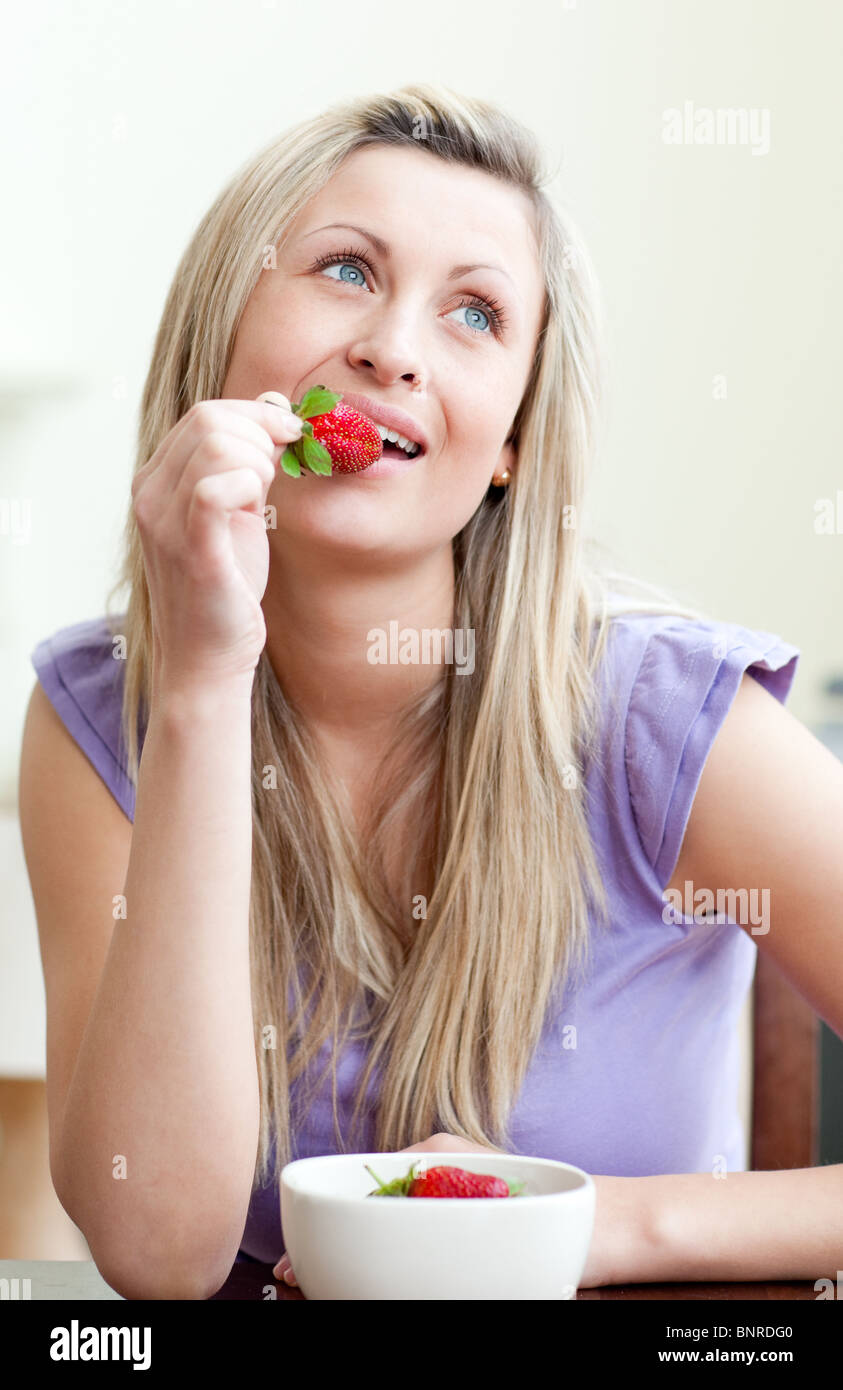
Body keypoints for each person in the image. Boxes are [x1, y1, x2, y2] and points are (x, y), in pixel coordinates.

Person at [20, 84, 843, 1300]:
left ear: (509, 437)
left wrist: (589, 1229)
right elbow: (157, 1252)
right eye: (346, 271)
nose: (393, 348)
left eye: (474, 313)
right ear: (224, 336)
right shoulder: (102, 719)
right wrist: (199, 685)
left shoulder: (670, 721)